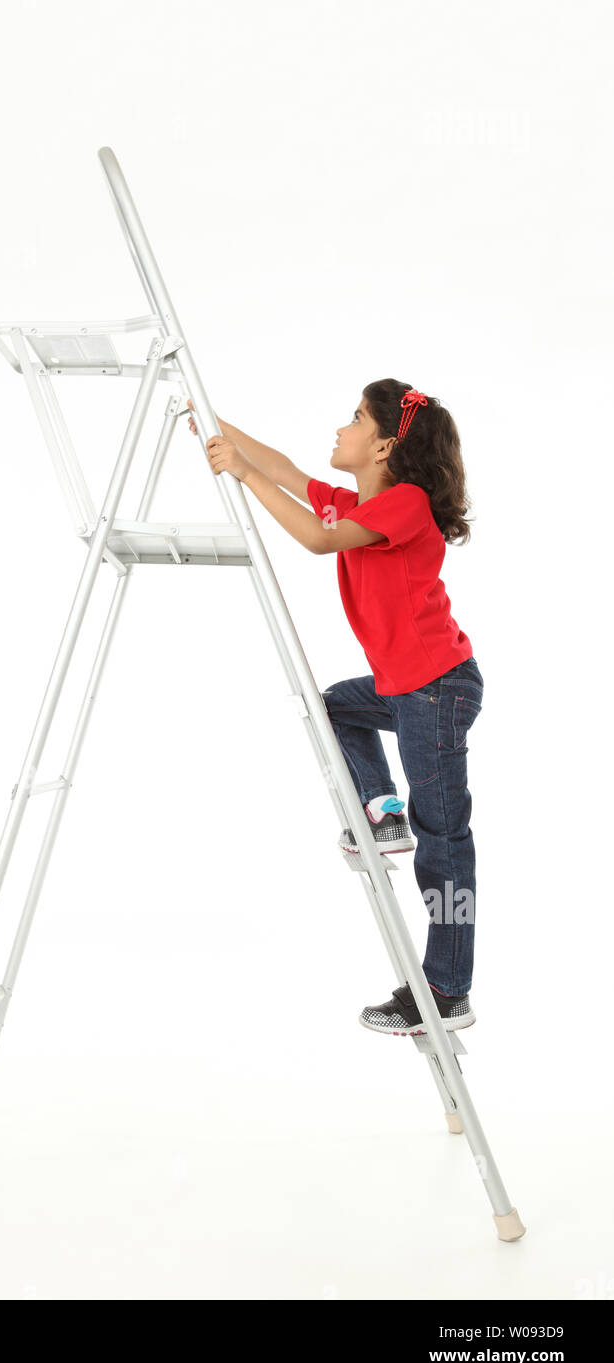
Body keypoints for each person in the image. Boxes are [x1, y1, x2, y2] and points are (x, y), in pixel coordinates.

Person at [187, 381, 483, 1037]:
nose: (341, 428)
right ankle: (381, 811)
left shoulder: (403, 505)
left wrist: (236, 471)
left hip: (437, 688)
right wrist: (213, 421)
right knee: (334, 709)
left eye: (355, 419)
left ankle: (446, 990)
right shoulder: (358, 506)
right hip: (408, 687)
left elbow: (319, 541)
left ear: (384, 445)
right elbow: (287, 472)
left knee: (444, 844)